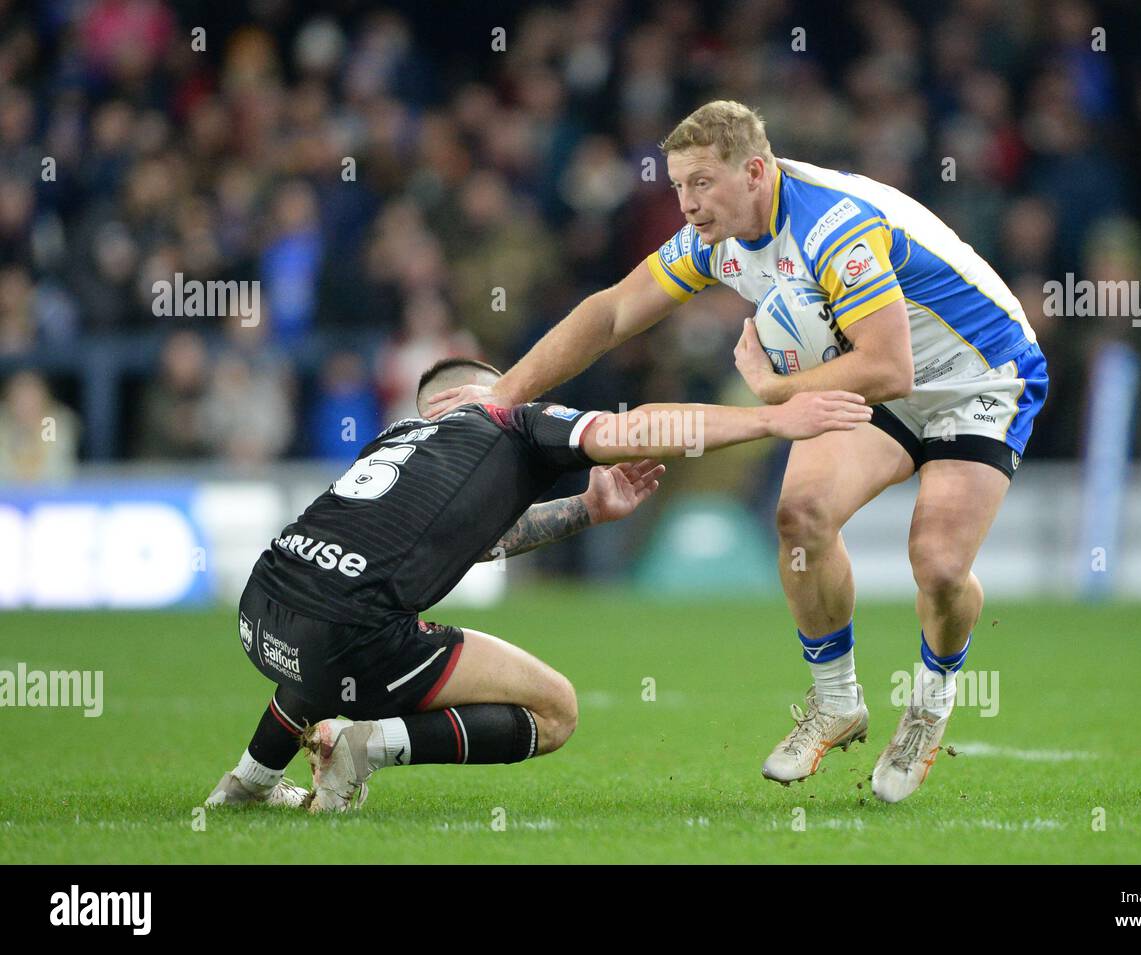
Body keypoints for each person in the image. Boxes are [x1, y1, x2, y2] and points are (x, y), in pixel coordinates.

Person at [422, 101, 1050, 804]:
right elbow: (613, 312)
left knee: (937, 566)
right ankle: (837, 701)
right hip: (870, 372)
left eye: (701, 184)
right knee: (801, 515)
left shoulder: (832, 229)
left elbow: (890, 369)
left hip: (977, 373)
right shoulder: (713, 237)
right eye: (677, 186)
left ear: (755, 172)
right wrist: (502, 395)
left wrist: (770, 386)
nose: (686, 204)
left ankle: (930, 703)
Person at [205, 356, 869, 812]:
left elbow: (477, 542)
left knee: (331, 615)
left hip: (258, 616)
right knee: (557, 710)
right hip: (344, 640)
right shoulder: (512, 421)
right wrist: (767, 421)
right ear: (498, 389)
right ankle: (364, 747)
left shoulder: (394, 440)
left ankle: (248, 781)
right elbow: (640, 428)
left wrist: (588, 508)